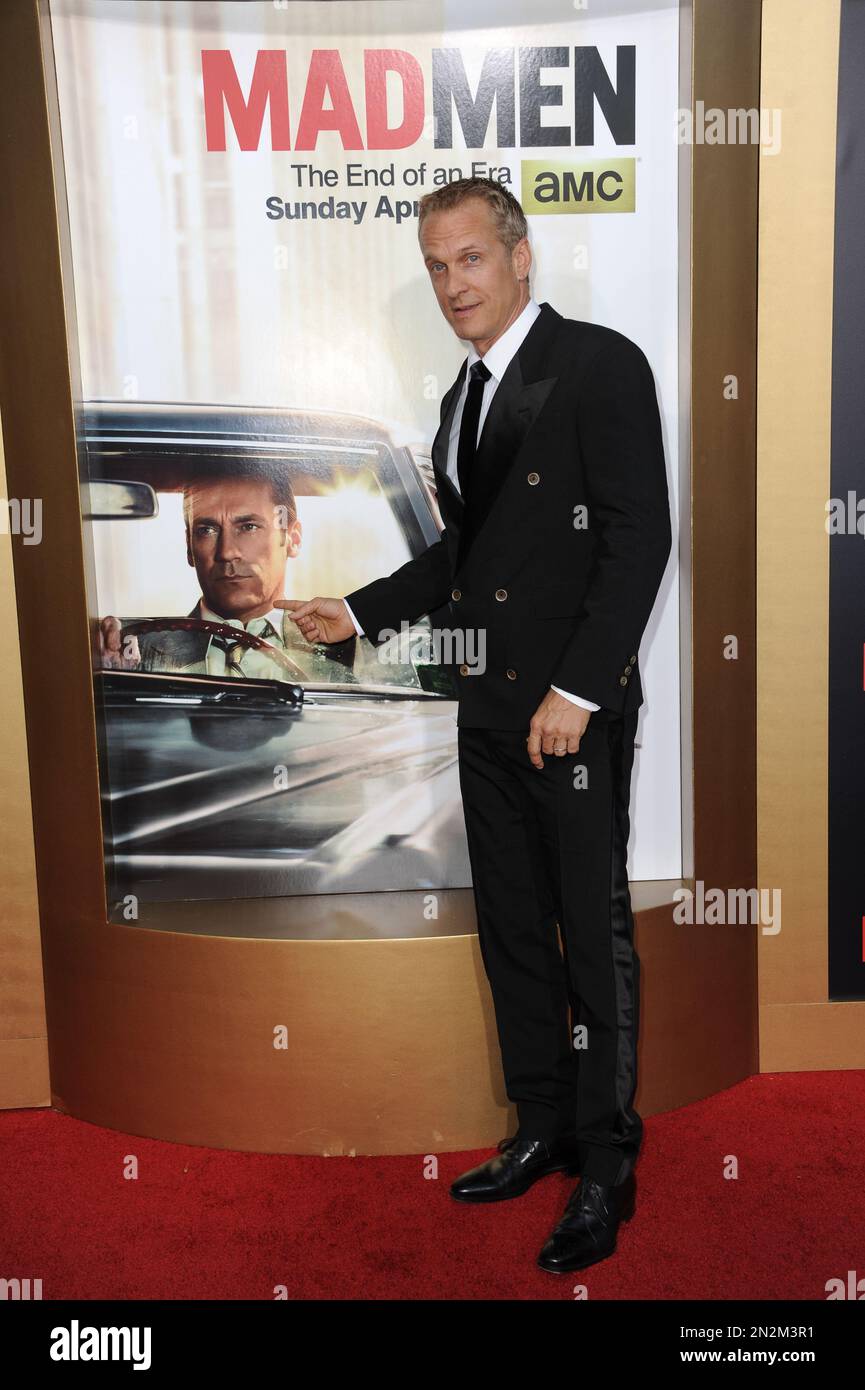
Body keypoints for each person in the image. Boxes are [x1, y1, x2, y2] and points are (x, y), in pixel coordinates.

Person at [282, 176, 672, 1273]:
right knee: (509, 926)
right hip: (489, 708)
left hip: (572, 716)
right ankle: (541, 1124)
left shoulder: (601, 364)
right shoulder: (461, 401)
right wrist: (356, 610)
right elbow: (466, 556)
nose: (454, 283)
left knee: (588, 937)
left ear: (519, 257)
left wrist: (580, 692)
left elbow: (638, 538)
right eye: (436, 266)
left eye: (471, 259)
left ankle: (605, 1161)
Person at [96, 469, 354, 682]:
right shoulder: (133, 651)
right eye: (207, 530)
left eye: (249, 527)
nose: (227, 552)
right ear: (189, 547)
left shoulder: (349, 651)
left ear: (292, 539)